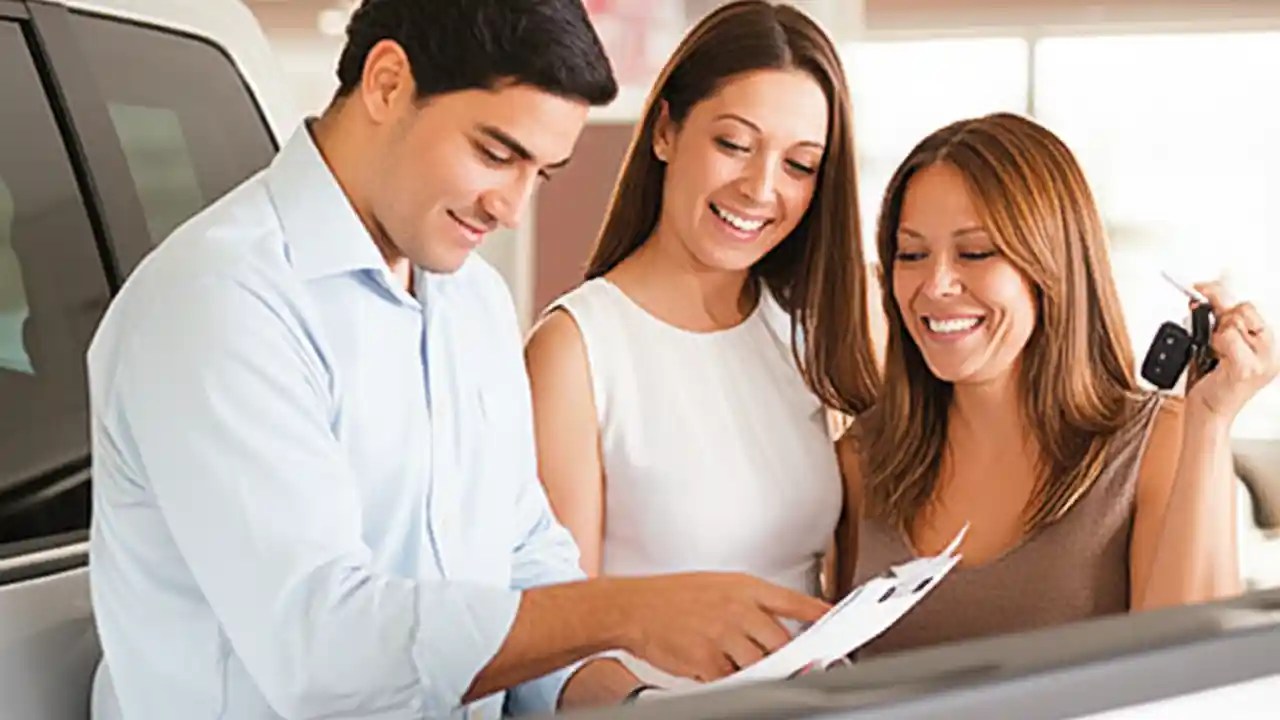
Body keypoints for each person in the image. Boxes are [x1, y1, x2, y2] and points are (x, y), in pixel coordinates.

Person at [86, 1, 831, 717]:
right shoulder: (221, 302)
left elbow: (525, 566)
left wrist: (640, 706)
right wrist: (630, 611)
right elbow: (323, 650)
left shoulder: (471, 299)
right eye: (495, 153)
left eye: (541, 173)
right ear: (386, 82)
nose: (512, 207)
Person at [835, 112, 1280, 658]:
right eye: (911, 254)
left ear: (1053, 266)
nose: (935, 284)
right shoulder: (861, 461)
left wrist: (1209, 422)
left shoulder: (1157, 445)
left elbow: (1187, 673)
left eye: (974, 252)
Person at [524, 0, 878, 685]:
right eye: (734, 145)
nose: (761, 188)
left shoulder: (802, 334)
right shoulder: (577, 349)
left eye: (800, 165)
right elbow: (554, 645)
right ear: (664, 131)